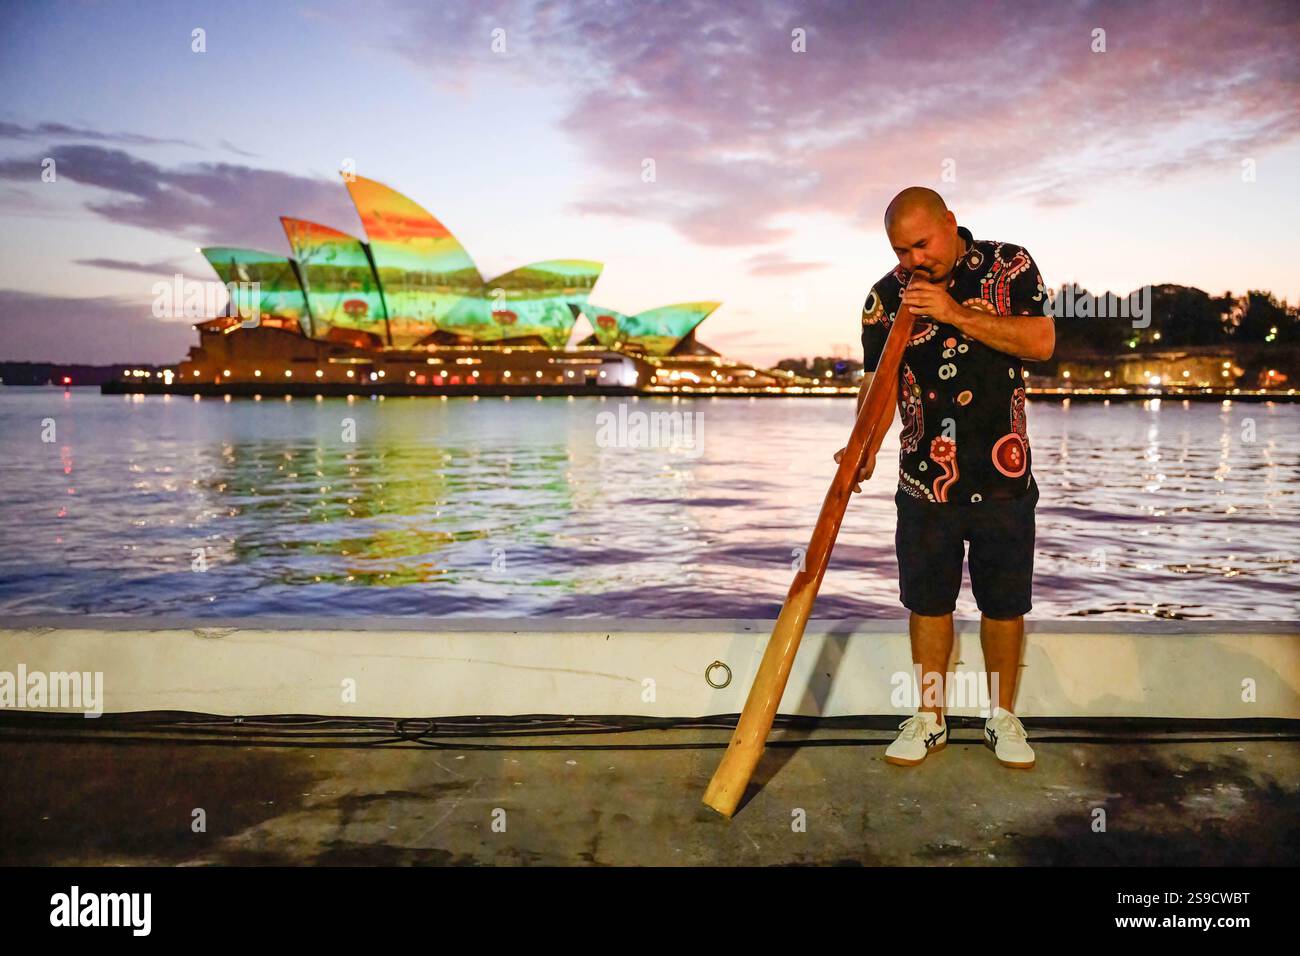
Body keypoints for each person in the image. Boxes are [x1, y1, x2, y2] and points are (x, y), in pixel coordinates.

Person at [835, 186, 1054, 769]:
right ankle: (929, 718)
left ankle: (1002, 717)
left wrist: (954, 313)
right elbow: (878, 387)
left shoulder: (1009, 267)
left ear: (950, 223)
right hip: (925, 482)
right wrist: (863, 447)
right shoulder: (884, 299)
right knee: (928, 602)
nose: (912, 261)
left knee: (1003, 605)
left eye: (921, 245)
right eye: (901, 251)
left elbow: (1041, 341)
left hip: (1004, 475)